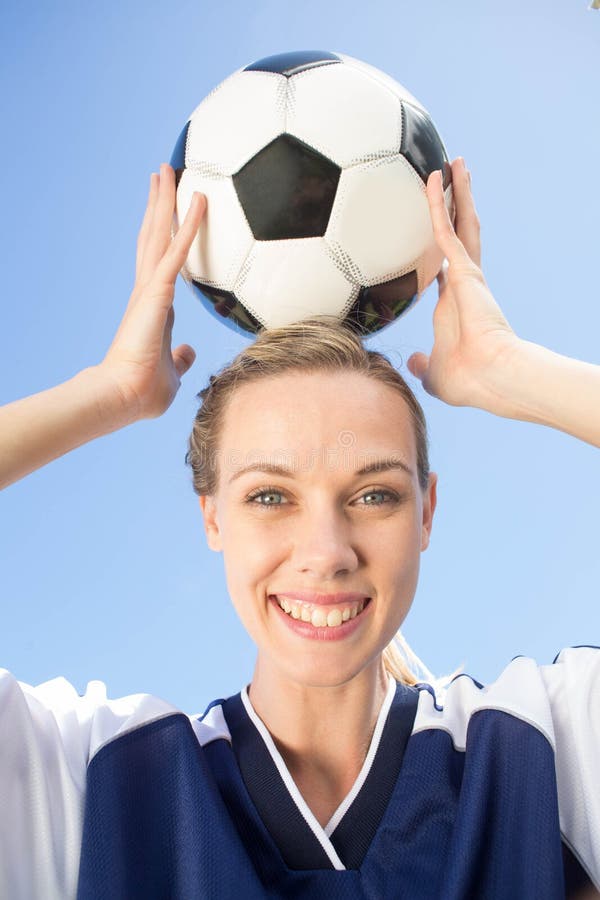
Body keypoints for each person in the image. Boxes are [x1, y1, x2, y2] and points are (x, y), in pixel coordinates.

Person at [0, 160, 598, 900]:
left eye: (375, 494)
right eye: (270, 497)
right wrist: (109, 391)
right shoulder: (94, 779)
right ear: (212, 514)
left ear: (427, 514)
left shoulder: (547, 751)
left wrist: (510, 368)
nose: (326, 553)